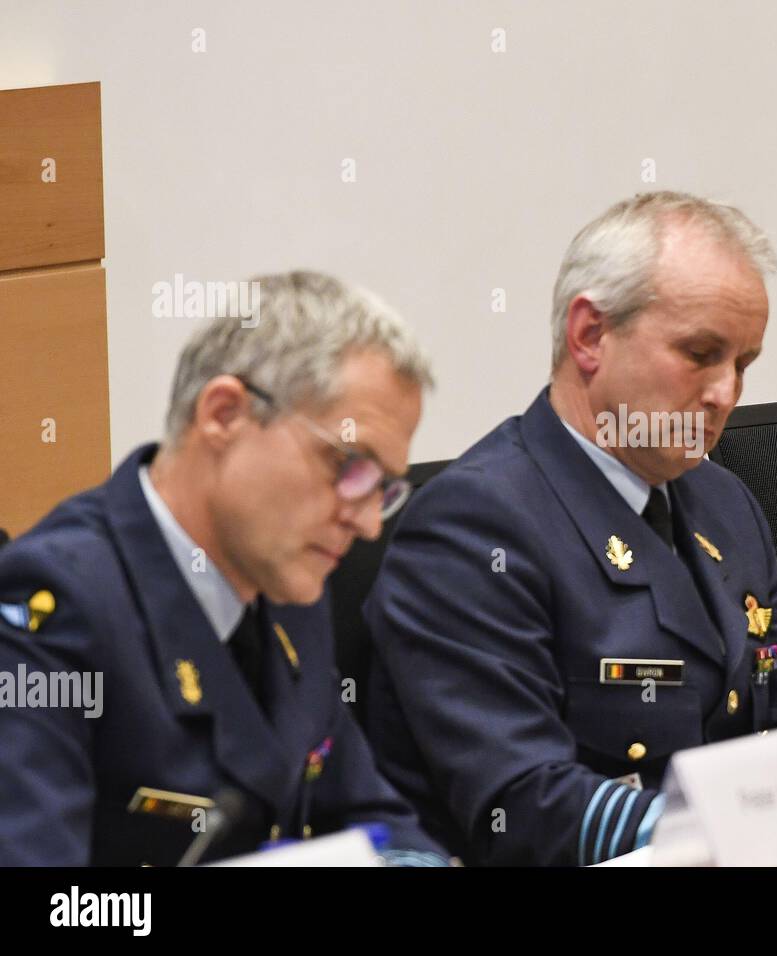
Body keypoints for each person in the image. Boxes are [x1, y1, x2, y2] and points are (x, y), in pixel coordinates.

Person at [366, 192, 777, 866]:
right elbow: (521, 807)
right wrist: (764, 822)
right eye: (700, 354)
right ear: (589, 337)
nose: (726, 392)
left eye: (743, 363)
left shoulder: (723, 501)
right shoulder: (476, 525)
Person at [0, 271, 447, 865]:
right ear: (224, 415)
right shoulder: (56, 605)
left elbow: (369, 814)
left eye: (384, 489)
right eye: (349, 465)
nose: (368, 524)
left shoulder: (289, 585)